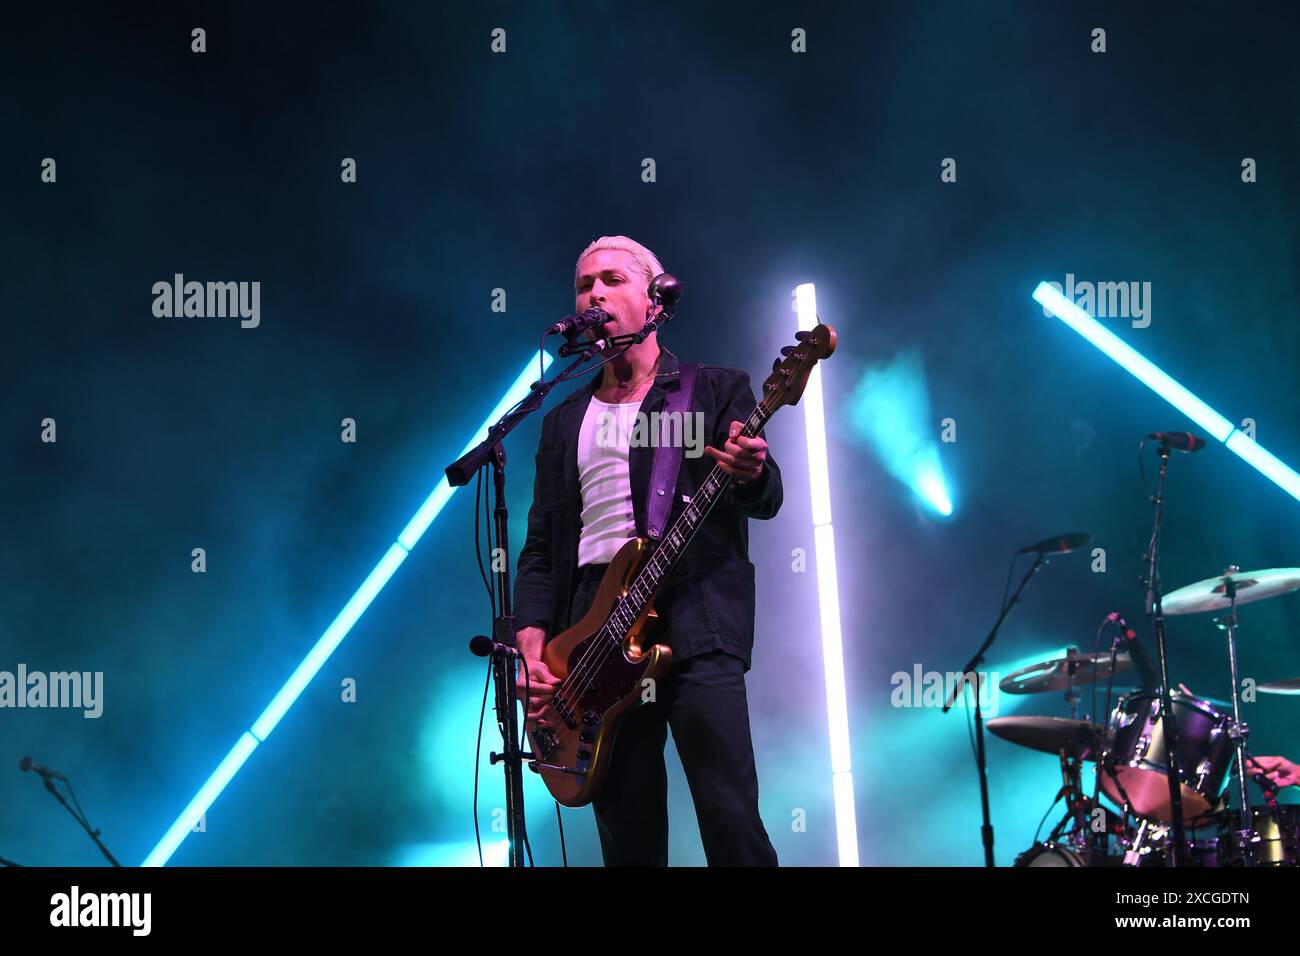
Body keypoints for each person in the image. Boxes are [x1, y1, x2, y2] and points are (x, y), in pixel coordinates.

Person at [512, 235, 782, 866]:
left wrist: (749, 472)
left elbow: (765, 498)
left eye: (611, 280)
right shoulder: (561, 419)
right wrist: (531, 638)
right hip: (590, 636)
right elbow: (541, 547)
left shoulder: (712, 390)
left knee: (731, 818)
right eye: (584, 285)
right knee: (628, 840)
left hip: (694, 617)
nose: (595, 294)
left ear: (655, 299)